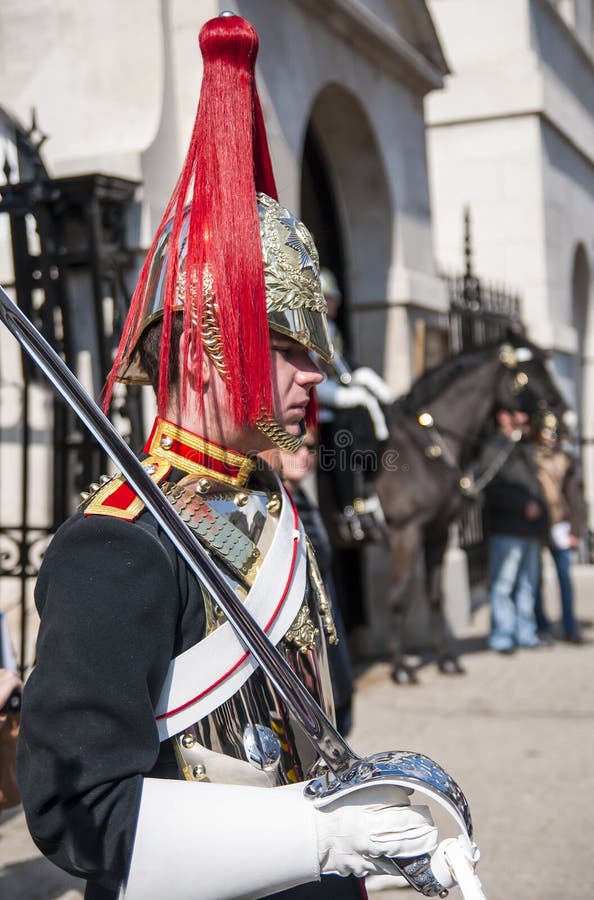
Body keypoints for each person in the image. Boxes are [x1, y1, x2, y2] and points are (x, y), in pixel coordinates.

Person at [17, 14, 439, 900]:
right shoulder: (117, 546)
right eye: (286, 345)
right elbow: (75, 810)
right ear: (206, 345)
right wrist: (315, 834)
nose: (313, 373)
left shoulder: (264, 502)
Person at [264, 431, 354, 736]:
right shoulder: (270, 507)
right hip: (300, 655)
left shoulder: (304, 500)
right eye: (292, 445)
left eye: (310, 447)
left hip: (330, 638)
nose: (303, 454)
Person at [477, 407, 548, 653]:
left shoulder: (523, 447)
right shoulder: (496, 448)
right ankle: (502, 636)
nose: (523, 418)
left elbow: (536, 487)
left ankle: (525, 632)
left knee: (528, 585)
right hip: (507, 528)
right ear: (503, 417)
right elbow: (491, 486)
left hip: (530, 530)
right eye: (517, 414)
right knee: (503, 585)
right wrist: (523, 505)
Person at [532, 411, 587, 644]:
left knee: (565, 579)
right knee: (535, 581)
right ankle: (541, 627)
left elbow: (575, 498)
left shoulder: (565, 460)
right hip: (537, 526)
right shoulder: (531, 458)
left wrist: (575, 530)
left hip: (561, 524)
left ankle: (569, 627)